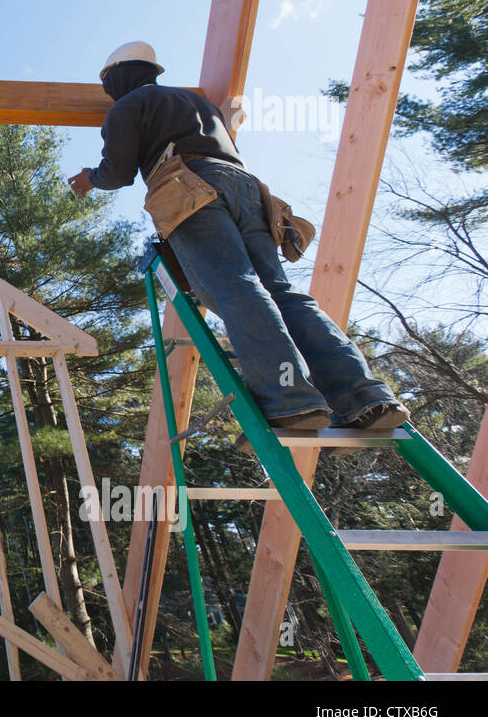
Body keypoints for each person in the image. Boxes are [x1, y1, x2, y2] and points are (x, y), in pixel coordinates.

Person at [68, 41, 408, 433]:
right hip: (247, 188)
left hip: (189, 187)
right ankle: (365, 398)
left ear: (116, 77)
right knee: (282, 292)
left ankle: (291, 401)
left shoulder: (127, 106)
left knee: (237, 287)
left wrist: (89, 179)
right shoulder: (198, 104)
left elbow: (118, 172)